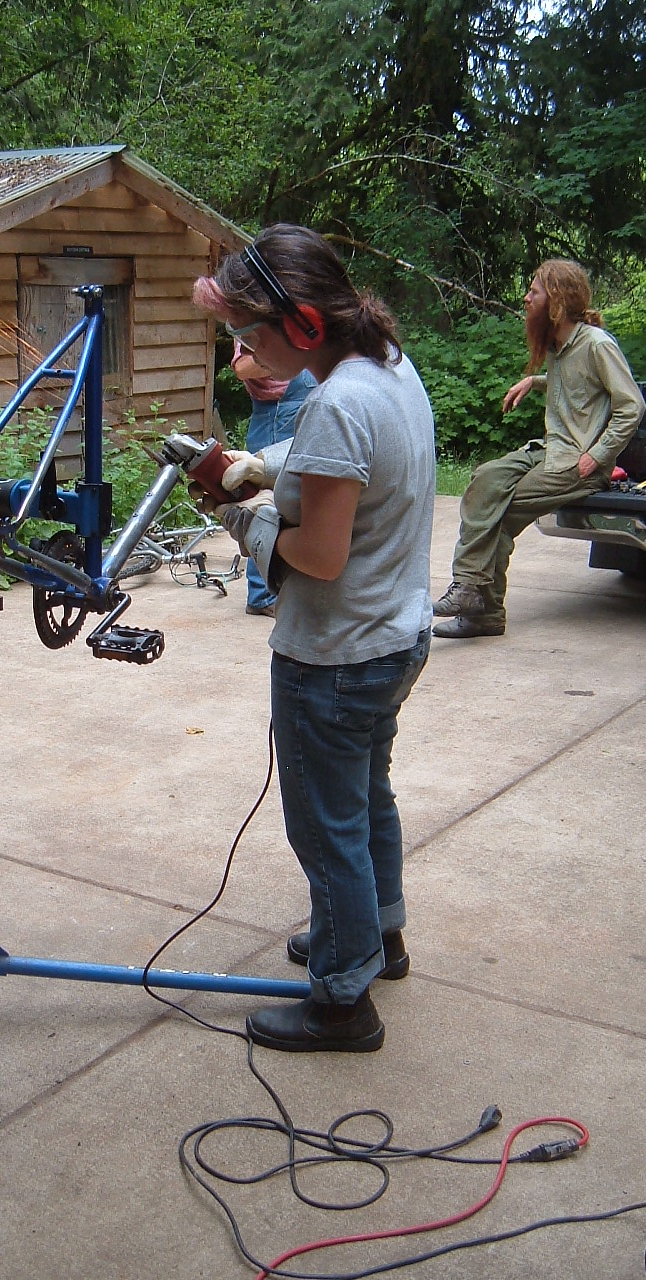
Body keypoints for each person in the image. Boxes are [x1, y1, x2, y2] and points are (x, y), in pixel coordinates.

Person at [192, 224, 435, 1053]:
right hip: (395, 641)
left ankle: (342, 1001)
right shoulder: (386, 365)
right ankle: (379, 942)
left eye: (248, 332)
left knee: (326, 832)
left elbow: (317, 559)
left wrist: (236, 517)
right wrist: (263, 470)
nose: (244, 351)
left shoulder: (336, 402)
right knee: (368, 805)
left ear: (299, 323)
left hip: (334, 658)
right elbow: (339, 458)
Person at [433, 259, 646, 639]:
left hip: (580, 462)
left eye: (534, 291)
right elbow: (581, 386)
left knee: (500, 510)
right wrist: (536, 379)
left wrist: (597, 456)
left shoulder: (597, 344)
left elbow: (632, 405)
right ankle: (473, 596)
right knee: (486, 480)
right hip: (551, 448)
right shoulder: (558, 345)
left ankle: (480, 605)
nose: (527, 298)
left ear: (558, 299)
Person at [229, 340, 316, 616]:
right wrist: (283, 358)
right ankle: (262, 594)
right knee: (269, 502)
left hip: (295, 405)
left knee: (295, 499)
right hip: (277, 411)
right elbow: (242, 367)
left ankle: (277, 587)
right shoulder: (257, 310)